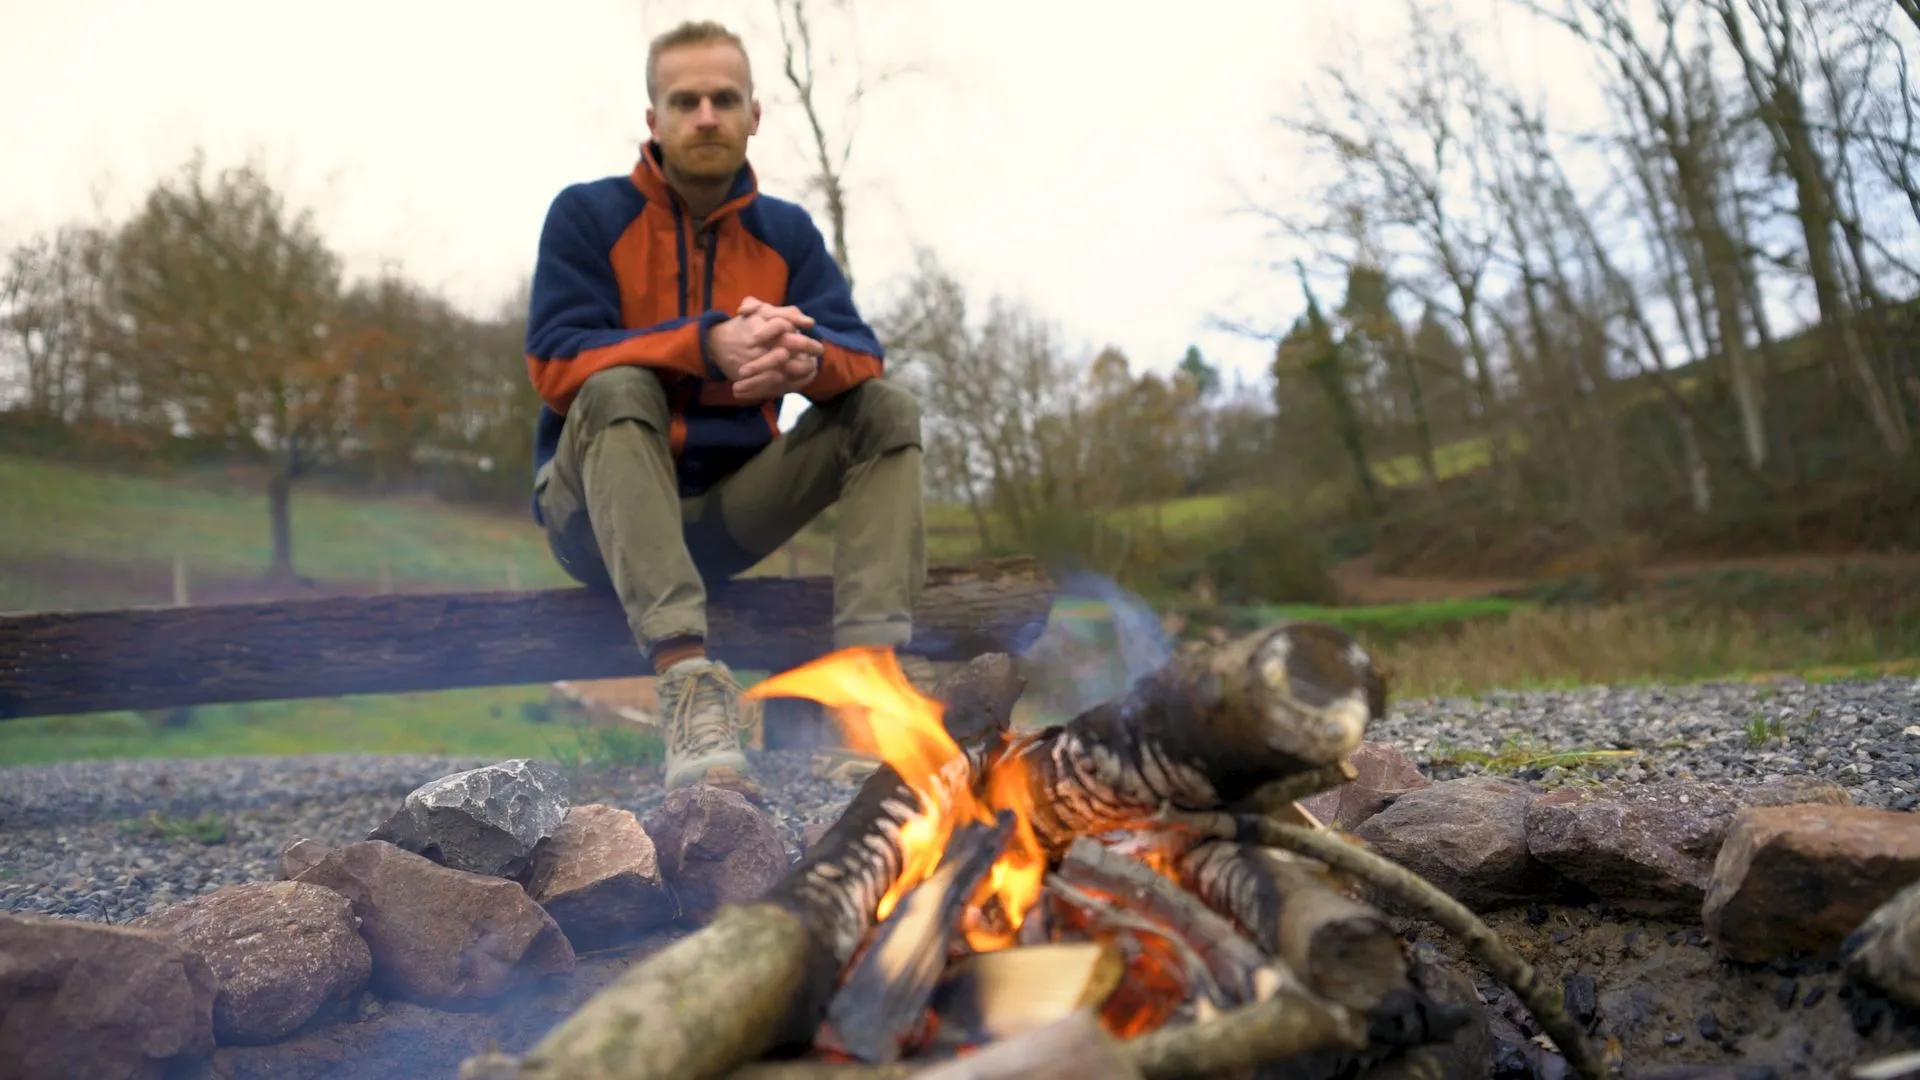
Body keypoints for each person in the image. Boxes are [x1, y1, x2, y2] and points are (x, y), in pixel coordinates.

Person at [522, 19, 932, 797]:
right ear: (654, 121)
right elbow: (554, 362)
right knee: (617, 385)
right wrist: (705, 344)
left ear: (754, 114)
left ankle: (870, 690)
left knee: (885, 408)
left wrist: (810, 363)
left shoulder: (787, 233)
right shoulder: (586, 216)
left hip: (728, 520)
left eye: (723, 98)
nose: (706, 115)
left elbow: (862, 354)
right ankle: (689, 692)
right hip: (596, 529)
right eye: (686, 100)